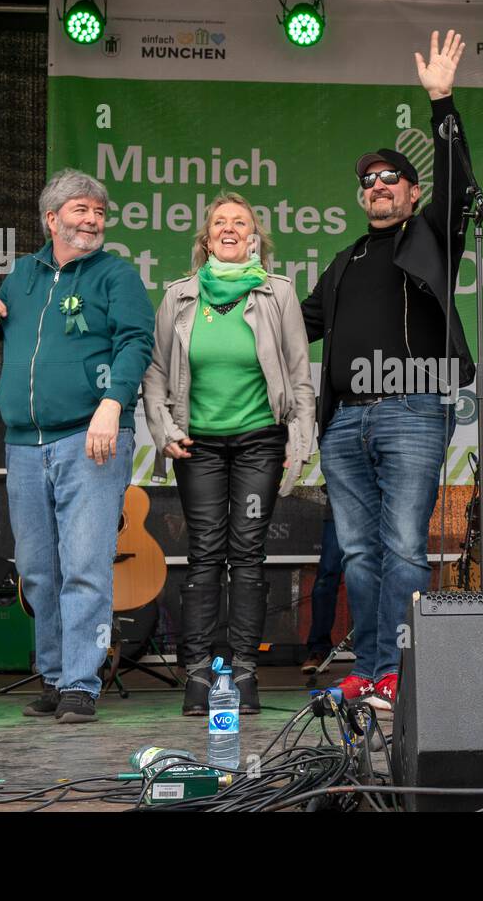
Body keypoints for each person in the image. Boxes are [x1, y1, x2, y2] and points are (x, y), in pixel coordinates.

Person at [302, 29, 473, 710]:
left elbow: (461, 186)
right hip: (343, 423)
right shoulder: (343, 263)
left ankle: (404, 670)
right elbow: (295, 327)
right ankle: (370, 673)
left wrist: (441, 101)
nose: (375, 187)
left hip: (410, 411)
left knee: (403, 548)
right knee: (359, 555)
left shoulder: (429, 239)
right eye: (366, 181)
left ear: (411, 191)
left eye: (389, 179)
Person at [0, 168, 154, 724]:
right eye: (81, 210)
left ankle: (81, 682)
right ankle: (53, 675)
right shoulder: (23, 274)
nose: (93, 219)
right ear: (52, 218)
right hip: (25, 444)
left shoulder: (115, 275)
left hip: (90, 437)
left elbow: (136, 341)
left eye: (99, 211)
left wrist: (113, 403)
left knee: (85, 567)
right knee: (38, 569)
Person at [143, 192, 315, 716]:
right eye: (220, 221)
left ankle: (243, 672)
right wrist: (163, 427)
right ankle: (197, 674)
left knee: (247, 552)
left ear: (255, 237)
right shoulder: (177, 297)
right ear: (206, 237)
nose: (230, 228)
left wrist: (300, 441)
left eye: (240, 222)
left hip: (260, 442)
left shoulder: (278, 293)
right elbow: (154, 372)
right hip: (198, 445)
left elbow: (300, 375)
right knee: (204, 553)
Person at [301, 488, 345, 673]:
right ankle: (318, 650)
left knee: (371, 577)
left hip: (377, 503)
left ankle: (376, 651)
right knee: (326, 578)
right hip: (340, 503)